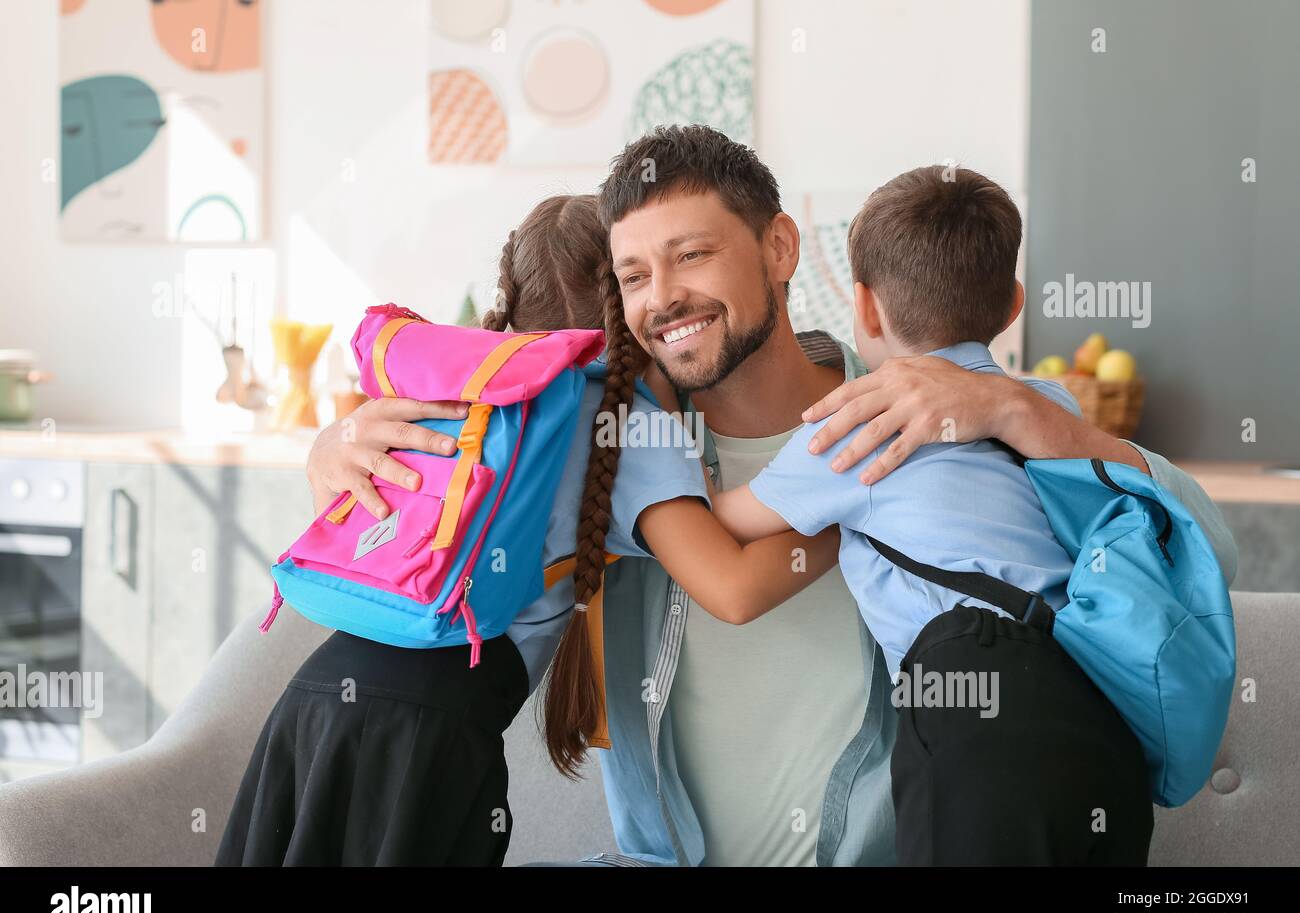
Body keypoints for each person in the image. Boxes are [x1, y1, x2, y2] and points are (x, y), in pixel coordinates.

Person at [306, 126, 1238, 866]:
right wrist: (334, 444)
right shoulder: (626, 448)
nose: (665, 297)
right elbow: (433, 507)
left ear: (781, 248)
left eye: (695, 255)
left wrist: (1037, 421)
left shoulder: (961, 410)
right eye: (636, 275)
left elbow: (1211, 549)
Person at [215, 194, 839, 865]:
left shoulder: (461, 397)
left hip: (314, 700)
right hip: (428, 728)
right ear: (627, 304)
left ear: (509, 303)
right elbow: (733, 587)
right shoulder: (625, 415)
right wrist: (853, 514)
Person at [707, 164, 1153, 864]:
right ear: (1011, 306)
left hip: (978, 726)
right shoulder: (1052, 409)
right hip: (1101, 719)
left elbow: (722, 521)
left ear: (865, 309)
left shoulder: (855, 424)